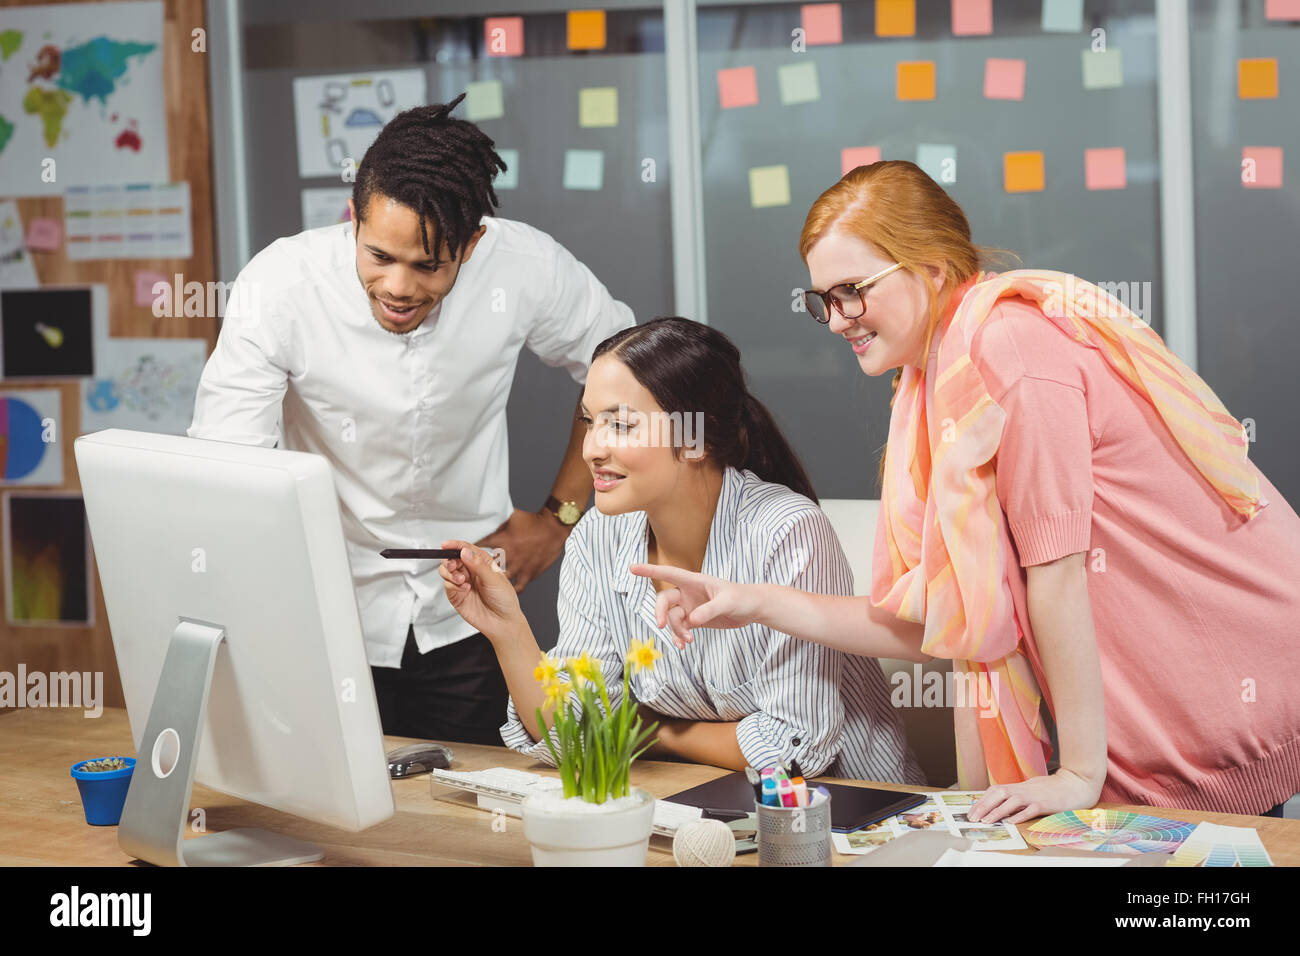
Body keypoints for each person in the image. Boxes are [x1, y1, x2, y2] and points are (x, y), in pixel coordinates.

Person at [634, 161, 1300, 823]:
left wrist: (1076, 775)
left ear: (930, 270)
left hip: (1248, 688)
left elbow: (1059, 573)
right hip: (1165, 723)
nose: (837, 320)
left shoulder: (1010, 347)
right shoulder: (929, 386)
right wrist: (748, 600)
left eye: (851, 291)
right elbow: (940, 625)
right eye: (823, 301)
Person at [187, 94, 634, 744]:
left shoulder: (527, 268)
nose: (398, 287)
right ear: (354, 217)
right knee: (327, 823)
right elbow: (230, 468)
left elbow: (624, 378)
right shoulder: (281, 286)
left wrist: (558, 521)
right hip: (321, 617)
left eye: (428, 265)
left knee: (467, 822)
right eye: (378, 256)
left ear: (473, 243)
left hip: (463, 615)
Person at [437, 317, 924, 781]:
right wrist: (509, 631)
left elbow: (793, 748)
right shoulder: (597, 537)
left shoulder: (785, 530)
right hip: (698, 810)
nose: (591, 449)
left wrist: (649, 729)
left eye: (621, 425)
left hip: (846, 818)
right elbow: (578, 739)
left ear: (693, 439)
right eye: (590, 421)